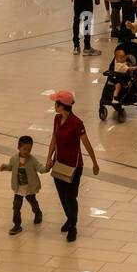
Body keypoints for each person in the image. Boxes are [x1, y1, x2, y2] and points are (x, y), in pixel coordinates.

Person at [44, 91, 98, 241]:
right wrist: (49, 158)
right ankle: (69, 218)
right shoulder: (57, 119)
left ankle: (73, 226)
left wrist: (94, 162)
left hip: (74, 166)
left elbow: (86, 143)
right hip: (59, 164)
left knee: (70, 197)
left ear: (62, 106)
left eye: (56, 103)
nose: (54, 106)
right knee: (62, 196)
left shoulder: (76, 123)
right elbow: (54, 139)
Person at [1, 135, 44, 235]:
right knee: (16, 207)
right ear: (19, 147)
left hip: (29, 188)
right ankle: (17, 225)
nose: (27, 152)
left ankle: (38, 213)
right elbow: (11, 167)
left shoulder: (32, 160)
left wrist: (47, 167)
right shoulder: (14, 159)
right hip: (18, 188)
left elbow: (40, 168)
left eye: (29, 149)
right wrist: (5, 167)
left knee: (33, 202)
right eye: (25, 149)